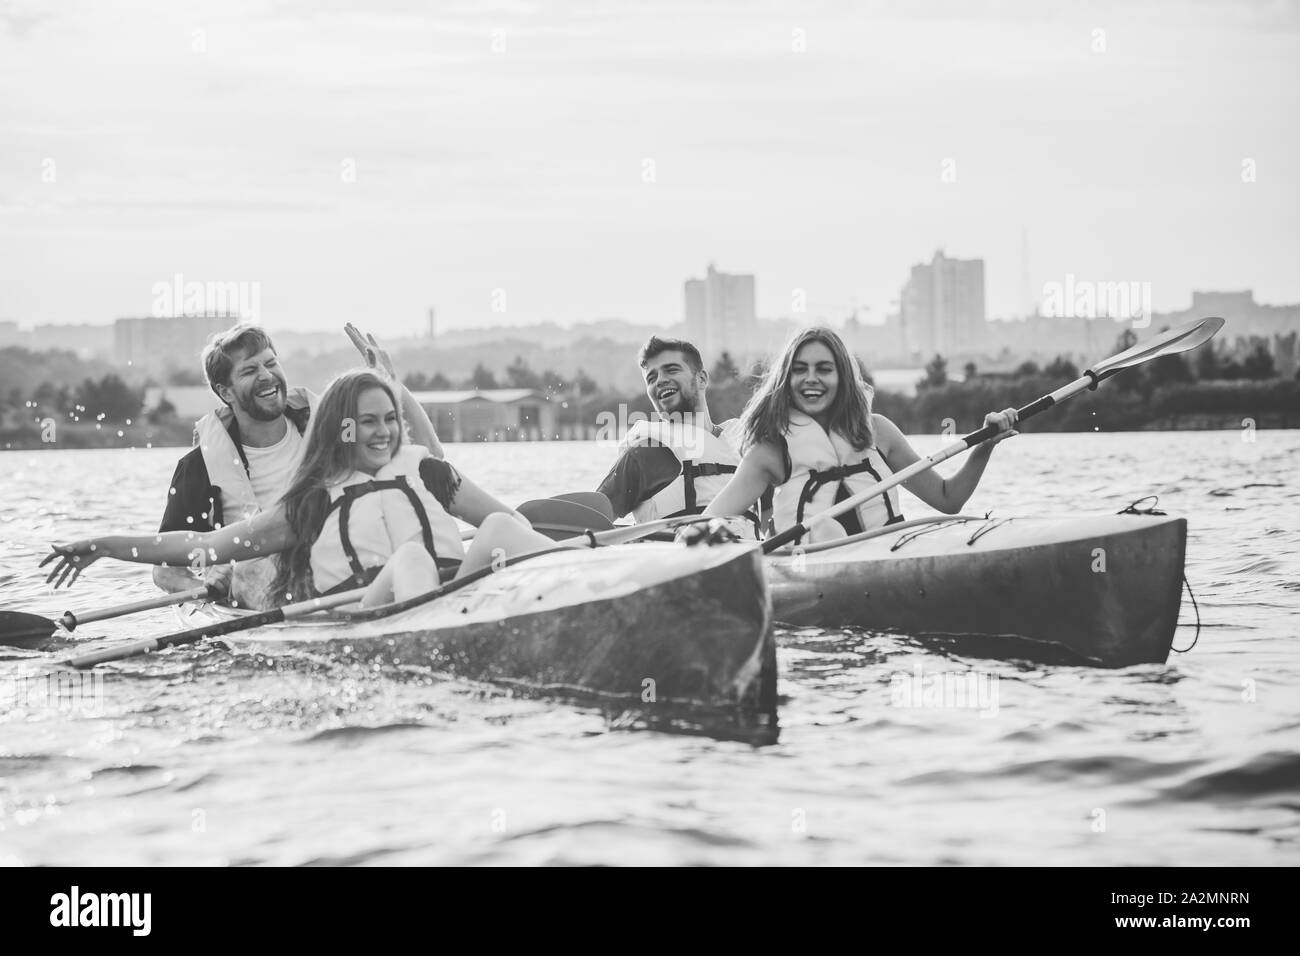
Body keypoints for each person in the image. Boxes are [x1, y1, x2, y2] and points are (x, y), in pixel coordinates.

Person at [42, 369, 553, 607]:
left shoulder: (428, 472)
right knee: (413, 560)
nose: (384, 432)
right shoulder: (308, 503)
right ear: (340, 429)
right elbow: (205, 546)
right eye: (367, 421)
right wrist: (106, 545)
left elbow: (514, 528)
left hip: (453, 592)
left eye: (390, 419)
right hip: (370, 612)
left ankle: (614, 584)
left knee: (504, 527)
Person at [152, 322, 440, 607]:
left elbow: (430, 456)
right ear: (226, 392)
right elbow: (165, 569)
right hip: (268, 586)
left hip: (345, 565)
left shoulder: (333, 427)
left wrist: (391, 384)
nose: (266, 376)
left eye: (270, 363)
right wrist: (206, 585)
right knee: (251, 569)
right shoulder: (197, 466)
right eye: (250, 371)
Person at [701, 327, 1018, 544]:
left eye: (824, 369)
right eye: (800, 369)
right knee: (824, 528)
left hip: (887, 557)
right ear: (786, 379)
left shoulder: (878, 431)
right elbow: (706, 524)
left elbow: (949, 500)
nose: (811, 379)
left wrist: (985, 446)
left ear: (842, 377)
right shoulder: (770, 452)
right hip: (808, 562)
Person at [596, 336, 759, 533]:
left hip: (747, 557)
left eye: (671, 370)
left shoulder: (749, 448)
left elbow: (771, 527)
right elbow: (591, 522)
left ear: (702, 379)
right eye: (651, 378)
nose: (661, 380)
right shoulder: (645, 453)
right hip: (676, 559)